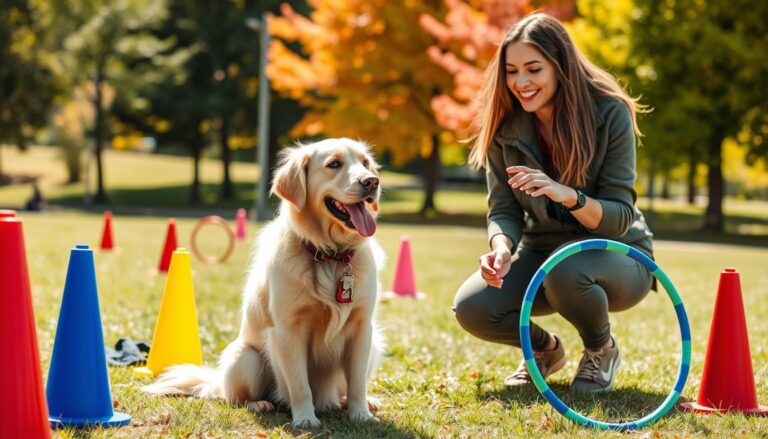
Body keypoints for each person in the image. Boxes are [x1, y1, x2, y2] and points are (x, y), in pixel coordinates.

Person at [453, 13, 654, 394]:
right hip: (543, 250)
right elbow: (503, 210)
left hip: (619, 254)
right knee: (472, 307)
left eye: (533, 69)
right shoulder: (504, 128)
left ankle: (601, 350)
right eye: (511, 71)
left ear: (560, 67)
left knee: (564, 269)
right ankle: (545, 351)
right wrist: (501, 249)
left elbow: (620, 218)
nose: (521, 82)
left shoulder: (609, 113)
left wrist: (569, 195)